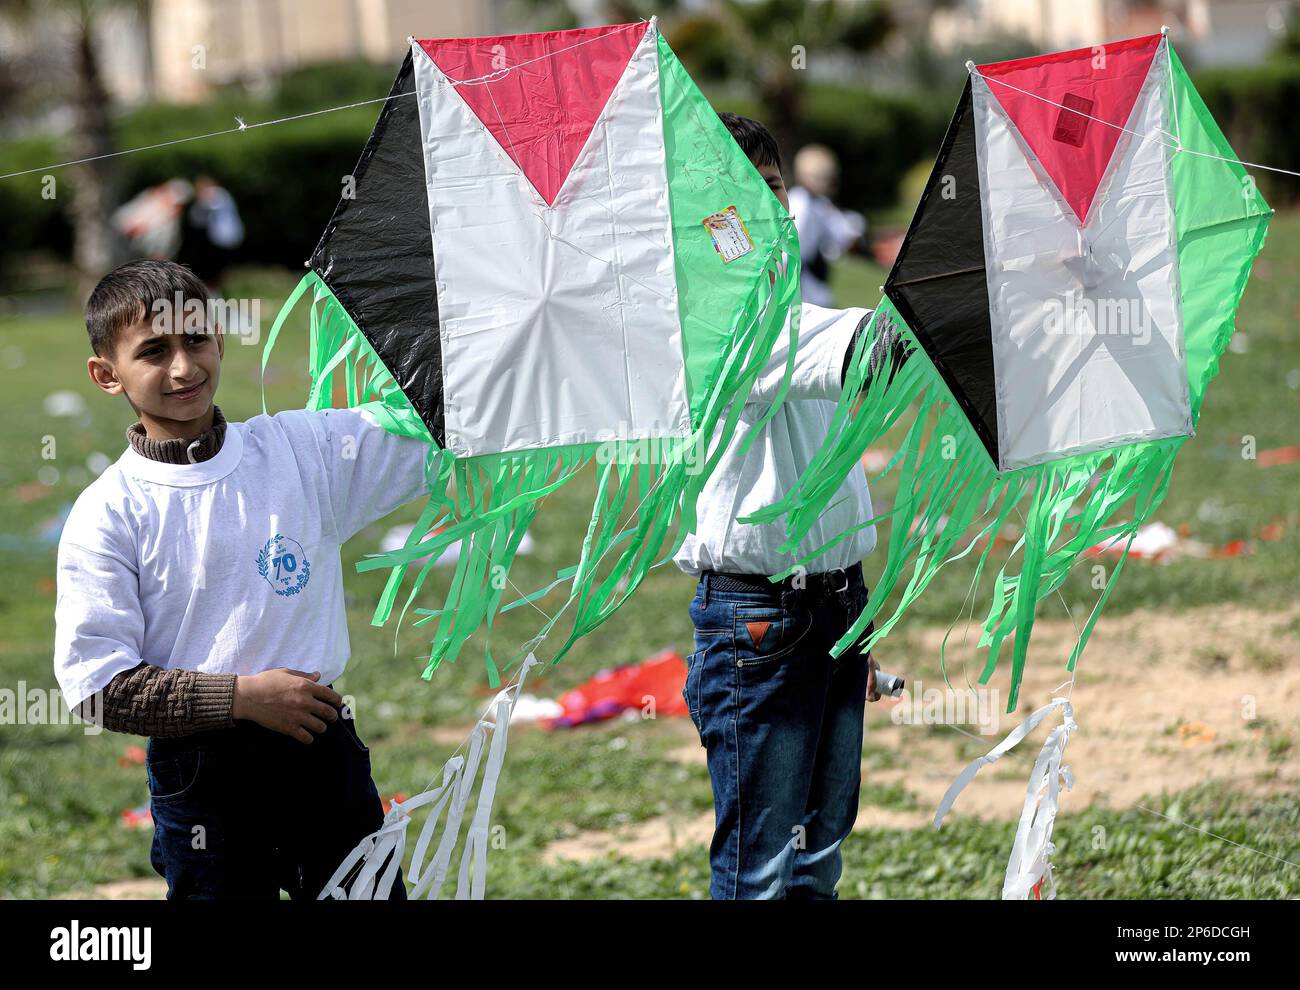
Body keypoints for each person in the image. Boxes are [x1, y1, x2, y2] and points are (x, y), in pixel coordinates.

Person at [53, 260, 431, 899]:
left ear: (219, 340)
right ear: (106, 374)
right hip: (202, 775)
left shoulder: (298, 451)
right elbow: (98, 687)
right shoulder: (109, 511)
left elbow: (430, 420)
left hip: (322, 749)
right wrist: (244, 697)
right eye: (153, 351)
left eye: (196, 340)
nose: (183, 367)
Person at [675, 113, 908, 899]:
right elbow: (869, 352)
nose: (768, 210)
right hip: (758, 621)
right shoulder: (715, 317)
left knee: (816, 856)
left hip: (834, 604)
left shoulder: (784, 300)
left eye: (774, 189)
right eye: (741, 196)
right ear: (705, 217)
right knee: (763, 867)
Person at [788, 144, 866, 307]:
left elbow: (843, 232)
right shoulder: (799, 201)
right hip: (803, 286)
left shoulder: (820, 203)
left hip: (815, 283)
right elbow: (792, 246)